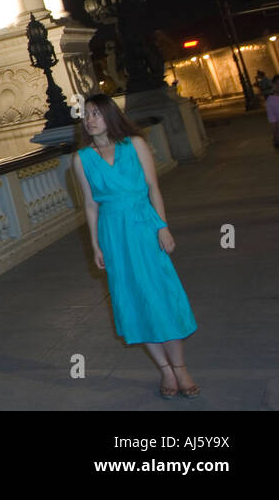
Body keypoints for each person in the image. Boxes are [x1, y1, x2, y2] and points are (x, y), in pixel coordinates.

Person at [70, 94, 199, 399]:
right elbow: (90, 205)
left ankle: (180, 367)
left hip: (143, 226)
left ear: (110, 116)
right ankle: (165, 370)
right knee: (133, 297)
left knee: (161, 293)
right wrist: (95, 245)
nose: (90, 120)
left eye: (97, 114)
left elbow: (154, 187)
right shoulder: (81, 160)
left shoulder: (135, 145)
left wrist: (162, 226)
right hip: (113, 233)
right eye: (87, 115)